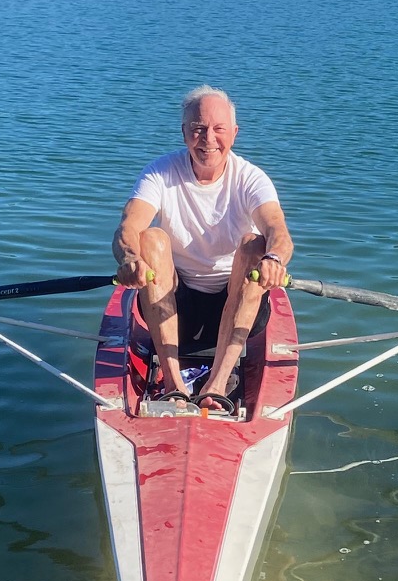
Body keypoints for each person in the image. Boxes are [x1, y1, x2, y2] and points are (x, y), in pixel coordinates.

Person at [112, 86, 293, 415]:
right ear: (184, 133)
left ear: (234, 134)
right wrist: (129, 258)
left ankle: (218, 384)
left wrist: (275, 259)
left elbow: (278, 231)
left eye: (218, 129)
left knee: (255, 245)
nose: (208, 139)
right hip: (176, 309)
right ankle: (173, 385)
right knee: (150, 238)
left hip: (237, 303)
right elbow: (128, 227)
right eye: (198, 128)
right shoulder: (160, 172)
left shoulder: (252, 179)